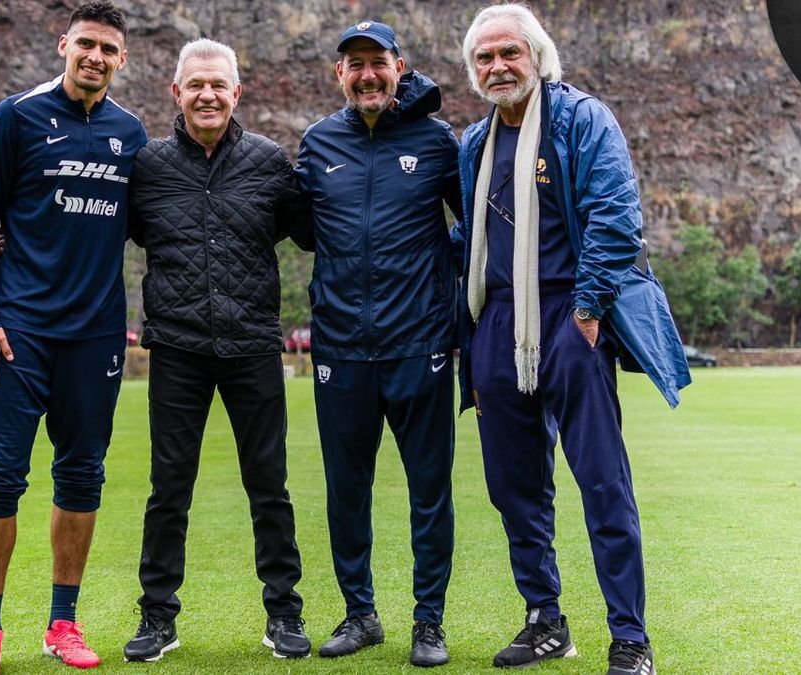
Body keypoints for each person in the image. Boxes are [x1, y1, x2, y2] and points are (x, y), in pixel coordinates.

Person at [454, 5, 690, 675]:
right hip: (497, 321)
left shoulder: (582, 119)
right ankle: (544, 620)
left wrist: (588, 311)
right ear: (473, 70)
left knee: (602, 480)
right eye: (484, 58)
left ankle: (630, 635)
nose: (498, 66)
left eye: (510, 53)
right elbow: (471, 237)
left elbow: (616, 216)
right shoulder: (475, 141)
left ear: (538, 55)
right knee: (513, 485)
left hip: (570, 313)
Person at [0, 2, 146, 673]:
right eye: (86, 44)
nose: (95, 57)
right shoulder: (18, 117)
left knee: (82, 474)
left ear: (122, 60)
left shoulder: (132, 133)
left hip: (96, 337)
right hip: (20, 333)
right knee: (0, 476)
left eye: (108, 50)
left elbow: (153, 225)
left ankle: (62, 623)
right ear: (64, 44)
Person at [120, 38, 311, 663]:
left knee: (269, 484)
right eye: (195, 84)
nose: (207, 94)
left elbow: (307, 230)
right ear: (176, 92)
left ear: (236, 92)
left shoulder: (269, 162)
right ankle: (157, 618)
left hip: (252, 342)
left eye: (218, 85)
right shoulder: (146, 167)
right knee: (168, 486)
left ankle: (284, 615)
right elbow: (122, 232)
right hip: (176, 345)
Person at [294, 20, 462, 668]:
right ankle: (360, 613)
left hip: (420, 346)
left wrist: (433, 266)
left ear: (399, 67)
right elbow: (305, 230)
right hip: (340, 350)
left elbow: (472, 224)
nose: (365, 75)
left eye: (377, 63)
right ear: (339, 73)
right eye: (353, 64)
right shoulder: (317, 143)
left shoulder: (435, 140)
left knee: (430, 491)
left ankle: (429, 621)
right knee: (346, 491)